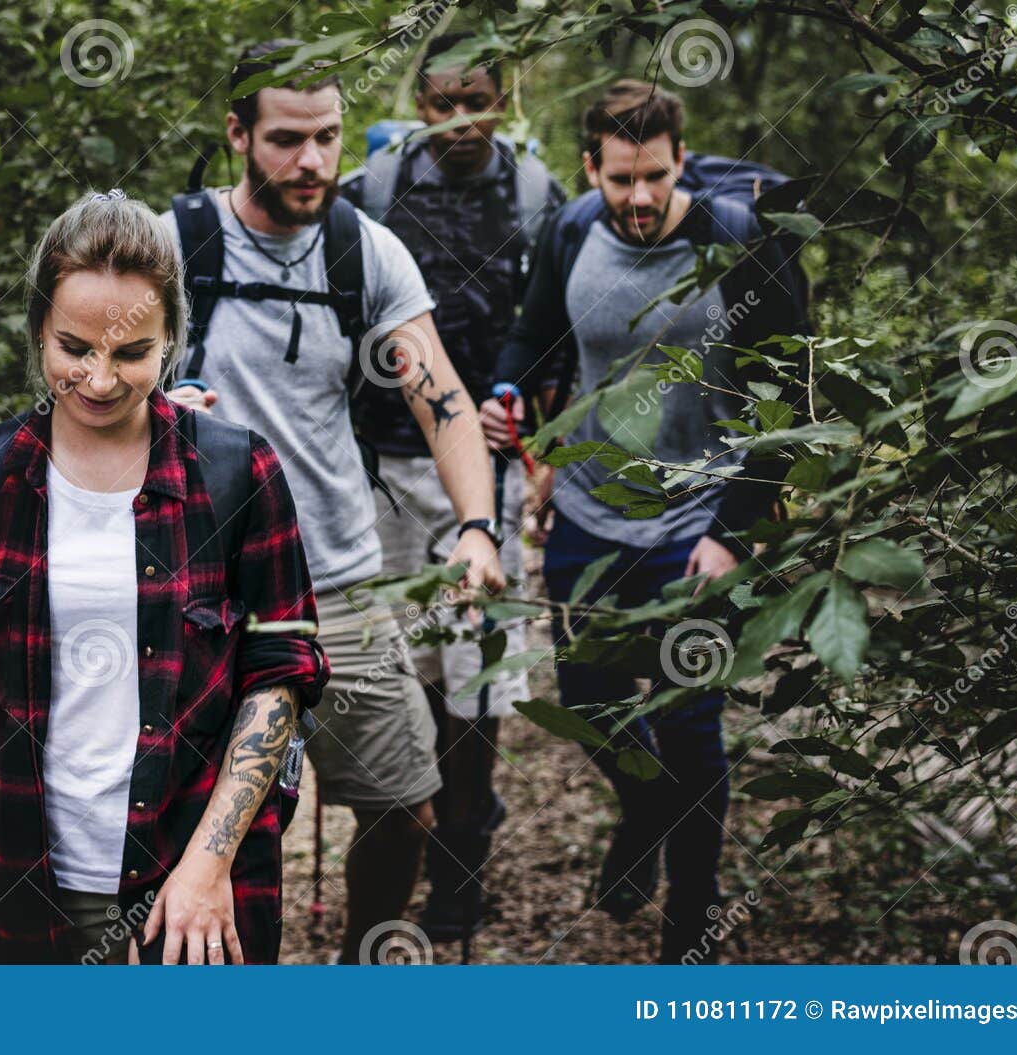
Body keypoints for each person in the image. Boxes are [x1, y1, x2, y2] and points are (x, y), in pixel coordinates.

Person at [0, 190, 329, 964]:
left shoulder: (237, 472)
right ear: (37, 334)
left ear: (171, 343)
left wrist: (208, 862)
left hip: (193, 887)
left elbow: (280, 680)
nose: (97, 378)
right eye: (73, 347)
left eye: (130, 353)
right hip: (15, 878)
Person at [159, 41, 505, 964]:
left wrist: (476, 527)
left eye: (327, 137)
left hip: (339, 588)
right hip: (202, 590)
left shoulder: (364, 250)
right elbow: (79, 384)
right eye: (285, 139)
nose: (311, 161)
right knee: (205, 827)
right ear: (237, 134)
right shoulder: (172, 245)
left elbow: (448, 403)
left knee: (404, 810)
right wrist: (152, 415)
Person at [487, 80, 808, 963]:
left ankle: (687, 935)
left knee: (688, 724)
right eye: (620, 178)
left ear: (680, 163)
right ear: (590, 167)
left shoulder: (740, 239)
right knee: (590, 701)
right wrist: (506, 389)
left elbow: (793, 398)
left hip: (697, 515)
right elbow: (535, 333)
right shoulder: (570, 231)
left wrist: (734, 531)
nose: (637, 199)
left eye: (656, 178)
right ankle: (645, 812)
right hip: (590, 508)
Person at [339, 31, 567, 944]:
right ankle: (415, 823)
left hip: (494, 473)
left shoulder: (539, 198)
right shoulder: (372, 195)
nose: (461, 120)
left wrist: (542, 441)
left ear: (504, 98)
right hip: (389, 467)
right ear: (421, 104)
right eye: (444, 103)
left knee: (479, 674)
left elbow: (558, 329)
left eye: (479, 100)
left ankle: (464, 853)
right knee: (409, 665)